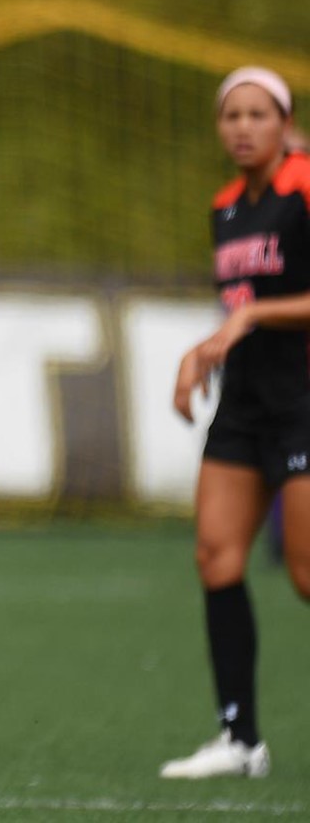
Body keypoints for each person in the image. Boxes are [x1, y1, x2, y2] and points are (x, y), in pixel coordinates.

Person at [165, 65, 310, 780]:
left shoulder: (305, 188)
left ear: (285, 124)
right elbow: (240, 307)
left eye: (259, 114)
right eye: (232, 115)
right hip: (245, 404)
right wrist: (202, 351)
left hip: (305, 401)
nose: (244, 126)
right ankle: (240, 739)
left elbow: (258, 307)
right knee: (216, 558)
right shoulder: (226, 207)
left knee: (308, 575)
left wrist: (249, 316)